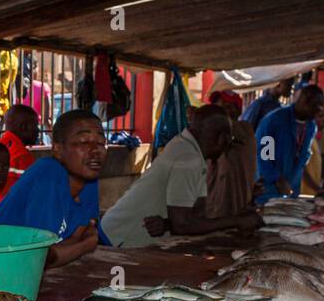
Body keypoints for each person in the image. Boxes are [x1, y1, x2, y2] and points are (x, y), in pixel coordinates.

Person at [103, 104, 261, 247]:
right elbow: (182, 225)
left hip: (121, 233)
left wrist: (166, 224)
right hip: (116, 238)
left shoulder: (189, 148)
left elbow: (196, 213)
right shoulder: (188, 159)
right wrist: (237, 221)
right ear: (222, 139)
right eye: (230, 140)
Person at [0, 108, 109, 268]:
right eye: (84, 142)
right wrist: (86, 245)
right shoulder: (49, 174)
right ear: (58, 150)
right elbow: (41, 258)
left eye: (100, 143)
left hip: (17, 270)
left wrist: (79, 243)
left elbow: (83, 233)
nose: (95, 150)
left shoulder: (88, 180)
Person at [254, 84, 324, 203]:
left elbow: (301, 163)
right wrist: (278, 179)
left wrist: (316, 188)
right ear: (304, 100)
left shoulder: (311, 127)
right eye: (315, 107)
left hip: (292, 193)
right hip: (268, 193)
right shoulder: (274, 120)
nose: (317, 112)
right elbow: (264, 156)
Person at [205, 90, 258, 219]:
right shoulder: (211, 135)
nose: (219, 112)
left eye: (226, 107)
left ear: (237, 111)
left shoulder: (245, 130)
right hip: (212, 206)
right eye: (216, 107)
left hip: (234, 208)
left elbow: (231, 132)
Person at [0, 103, 39, 210]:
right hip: (10, 216)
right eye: (35, 125)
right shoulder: (22, 156)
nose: (38, 131)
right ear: (24, 127)